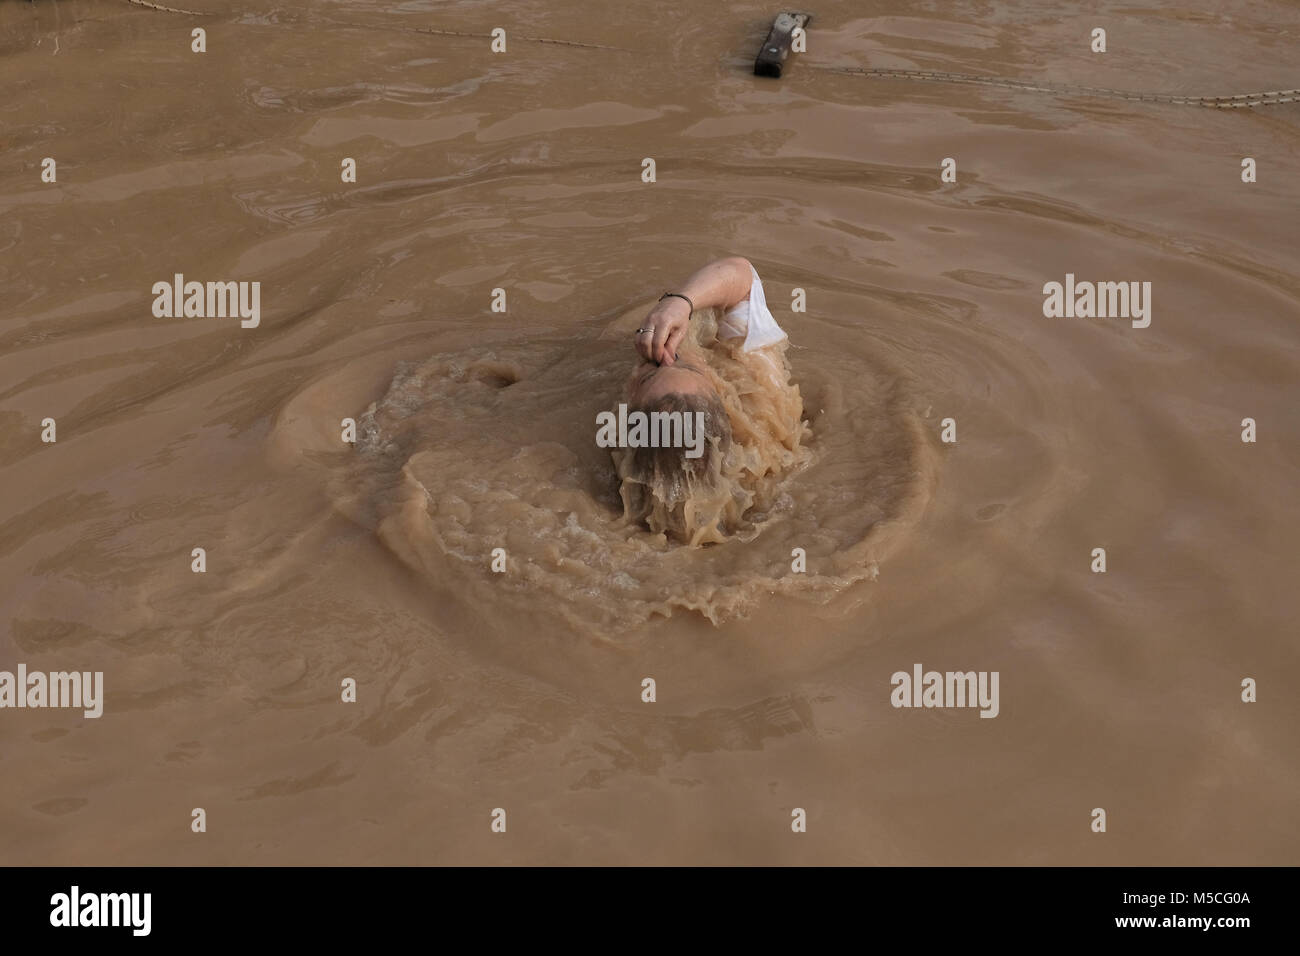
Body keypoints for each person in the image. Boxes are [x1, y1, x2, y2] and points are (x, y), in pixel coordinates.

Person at [612, 256, 805, 545]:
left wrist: (674, 304)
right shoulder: (758, 375)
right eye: (685, 367)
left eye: (652, 374)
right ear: (719, 389)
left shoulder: (616, 449)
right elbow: (742, 276)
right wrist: (681, 303)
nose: (669, 355)